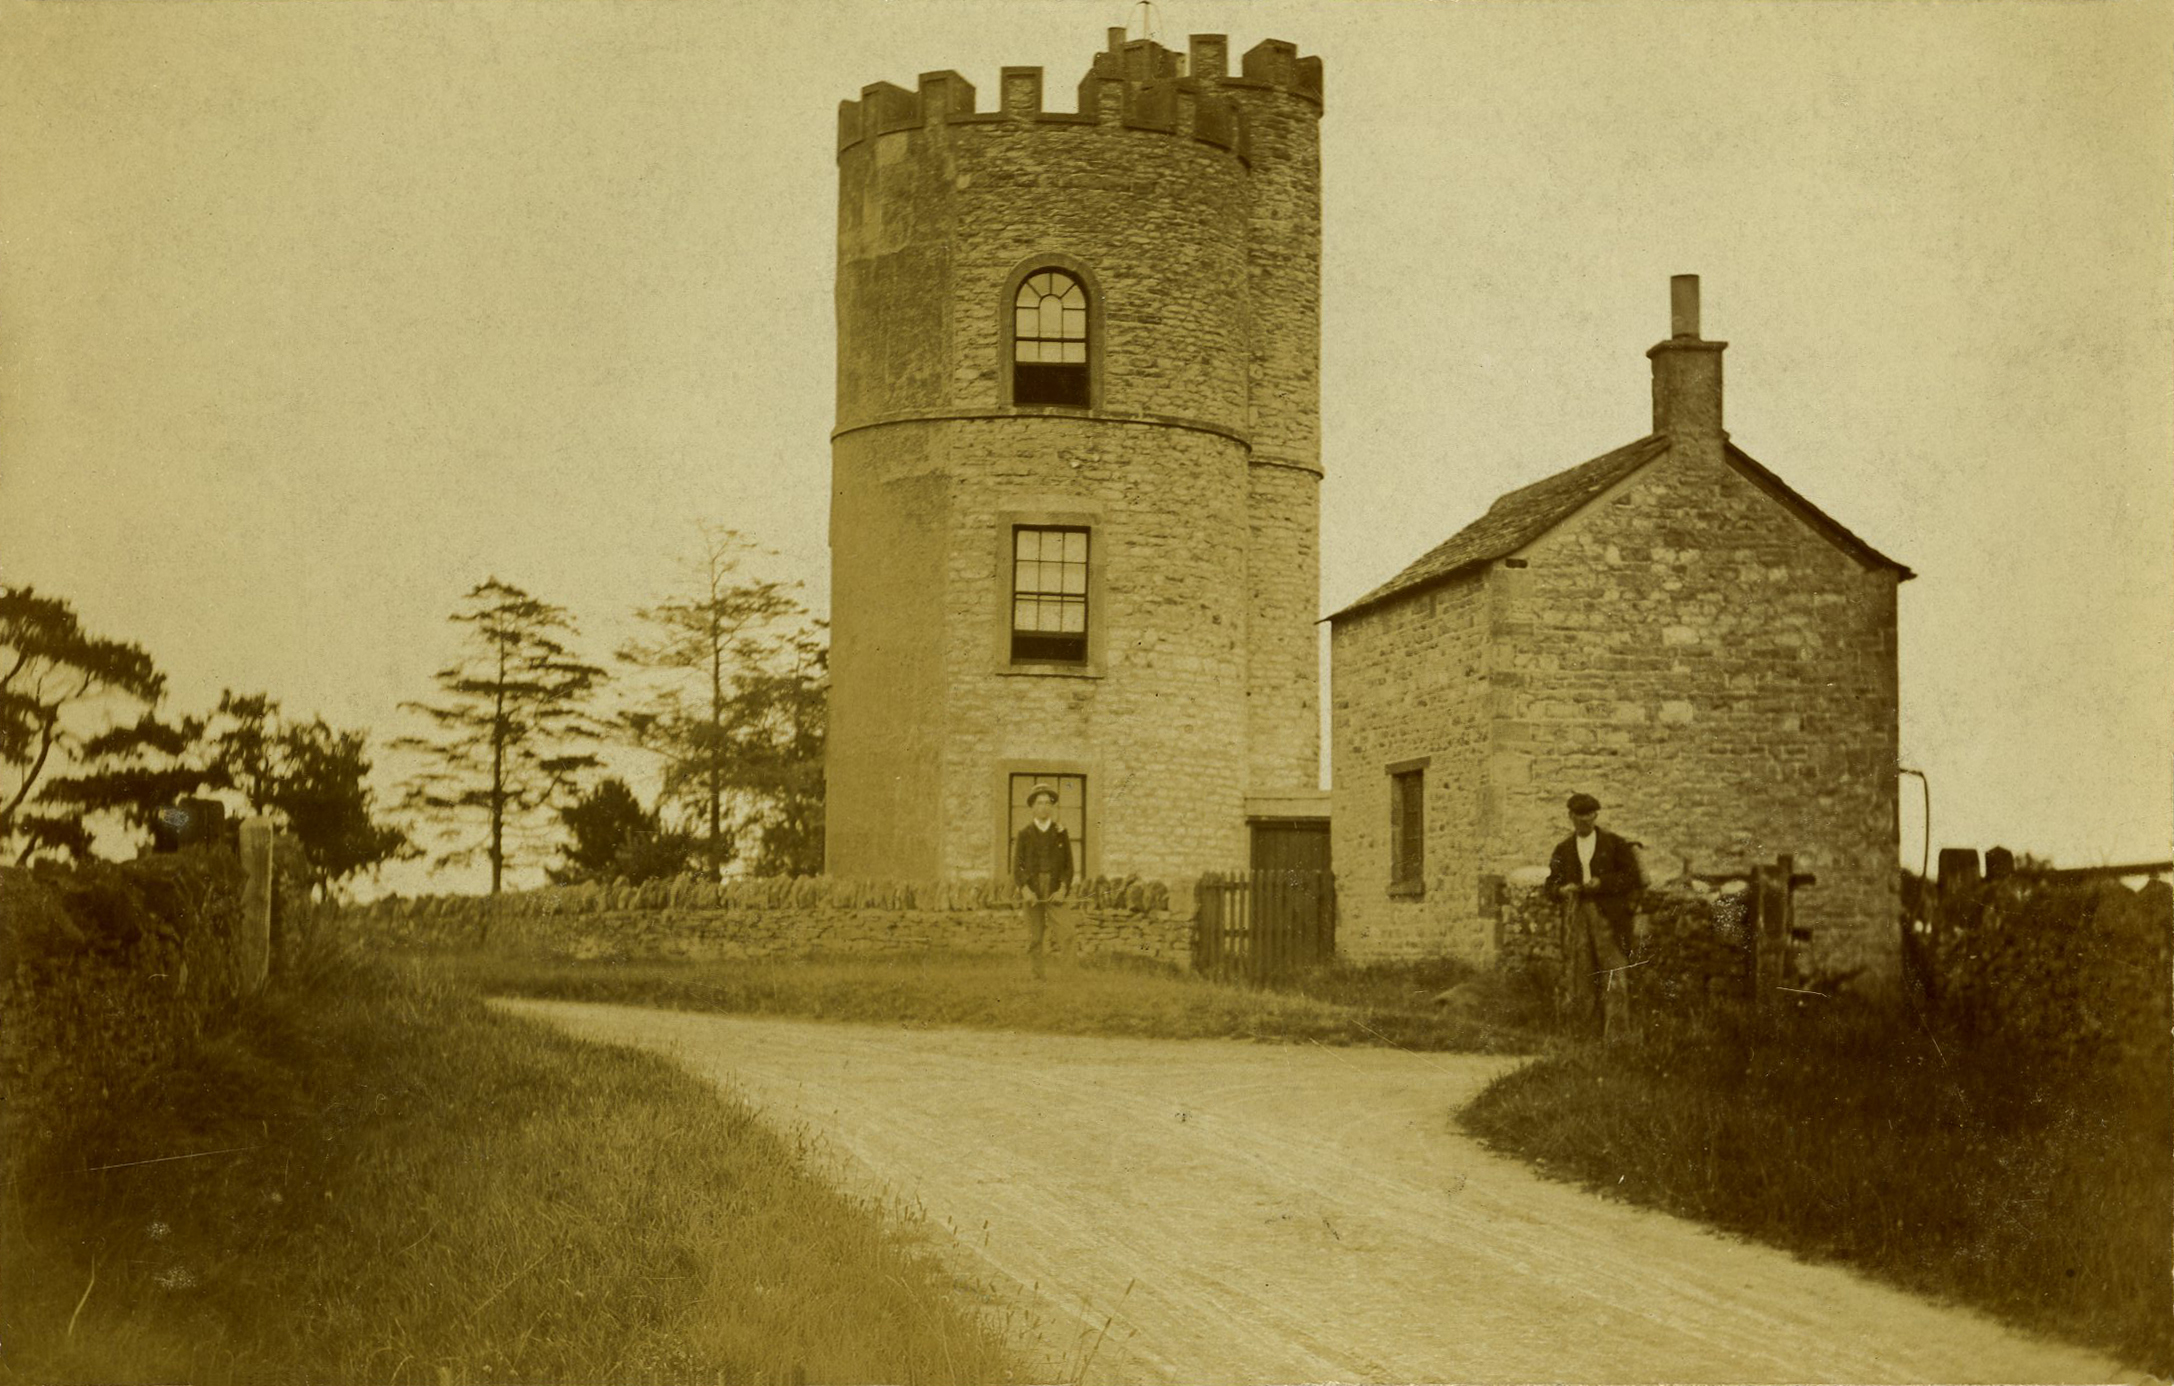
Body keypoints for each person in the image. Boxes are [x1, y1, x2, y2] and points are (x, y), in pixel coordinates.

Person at [1544, 792, 1643, 1039]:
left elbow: (1632, 877)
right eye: (1579, 816)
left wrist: (1603, 883)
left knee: (1613, 975)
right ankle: (1583, 1036)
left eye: (1590, 815)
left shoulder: (1614, 844)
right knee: (1580, 975)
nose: (1585, 821)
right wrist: (1560, 889)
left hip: (1608, 916)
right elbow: (1550, 883)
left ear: (1596, 815)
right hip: (1578, 915)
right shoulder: (1563, 849)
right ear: (1571, 817)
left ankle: (1617, 1038)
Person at [1013, 784, 1075, 978]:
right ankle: (1037, 978)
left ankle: (1070, 979)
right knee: (1035, 937)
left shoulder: (1060, 833)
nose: (1044, 807)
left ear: (1052, 807)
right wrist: (1025, 889)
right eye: (1039, 803)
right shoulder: (1024, 834)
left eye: (1048, 803)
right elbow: (1017, 866)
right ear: (1032, 807)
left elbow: (1069, 865)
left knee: (1068, 934)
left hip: (1055, 888)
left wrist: (1063, 888)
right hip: (1033, 889)